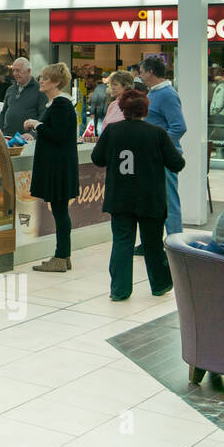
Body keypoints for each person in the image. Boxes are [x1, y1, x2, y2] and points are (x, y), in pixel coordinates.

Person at [91, 89, 184, 299]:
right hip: (151, 198)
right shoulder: (157, 133)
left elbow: (97, 158)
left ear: (122, 109)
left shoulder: (112, 131)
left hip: (120, 197)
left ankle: (119, 290)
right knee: (152, 243)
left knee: (122, 242)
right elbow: (177, 163)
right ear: (146, 109)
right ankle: (160, 284)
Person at [25, 63, 80, 273]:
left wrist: (36, 124)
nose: (42, 81)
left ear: (56, 82)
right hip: (60, 166)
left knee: (60, 212)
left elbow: (57, 135)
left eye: (46, 78)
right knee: (60, 211)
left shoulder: (60, 105)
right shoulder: (59, 105)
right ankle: (63, 255)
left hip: (58, 168)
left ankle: (61, 255)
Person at [142, 55, 186, 239]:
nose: (140, 76)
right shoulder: (153, 92)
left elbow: (179, 126)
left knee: (169, 201)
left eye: (142, 72)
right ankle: (151, 242)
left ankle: (176, 243)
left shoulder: (167, 94)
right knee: (153, 201)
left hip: (163, 158)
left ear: (151, 72)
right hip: (153, 158)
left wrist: (158, 146)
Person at [0, 57, 45, 138]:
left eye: (18, 70)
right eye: (13, 70)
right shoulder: (10, 89)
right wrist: (1, 131)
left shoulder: (40, 90)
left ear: (29, 71)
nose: (15, 74)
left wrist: (33, 134)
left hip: (27, 140)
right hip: (8, 138)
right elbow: (3, 112)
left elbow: (44, 115)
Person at [87, 70, 108, 135]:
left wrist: (92, 112)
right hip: (104, 112)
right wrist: (92, 112)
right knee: (102, 127)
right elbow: (94, 100)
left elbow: (94, 100)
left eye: (105, 77)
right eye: (103, 78)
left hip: (102, 111)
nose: (104, 79)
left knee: (101, 126)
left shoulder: (99, 88)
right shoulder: (100, 87)